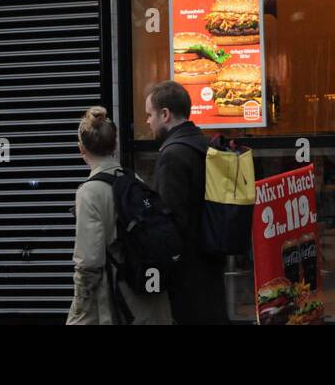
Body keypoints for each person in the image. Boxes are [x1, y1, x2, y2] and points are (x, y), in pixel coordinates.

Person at [66, 106, 171, 325]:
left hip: (118, 304)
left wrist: (78, 310)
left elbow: (89, 262)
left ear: (81, 149)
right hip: (150, 298)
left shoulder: (89, 192)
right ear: (115, 145)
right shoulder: (135, 180)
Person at [145, 80, 229, 325]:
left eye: (150, 115)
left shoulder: (172, 154)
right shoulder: (204, 145)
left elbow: (171, 220)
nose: (147, 121)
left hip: (188, 272)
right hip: (212, 261)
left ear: (165, 114)